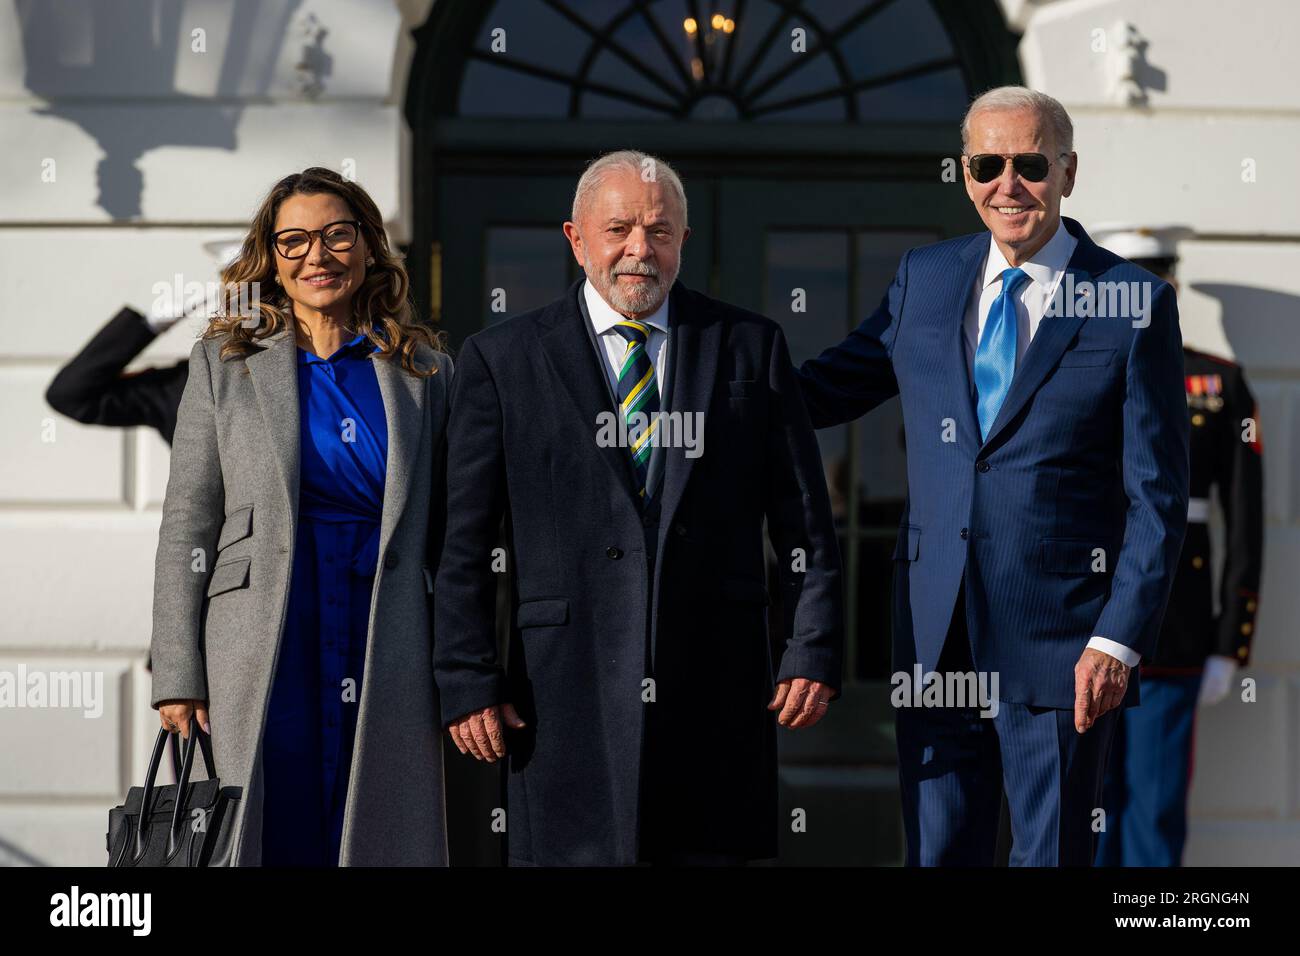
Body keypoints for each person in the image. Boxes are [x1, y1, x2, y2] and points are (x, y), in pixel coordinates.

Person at [794, 86, 1190, 866]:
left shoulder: (1133, 303)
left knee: (1049, 857)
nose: (1008, 185)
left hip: (1063, 646)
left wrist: (1117, 640)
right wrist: (703, 371)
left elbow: (1159, 496)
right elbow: (825, 389)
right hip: (936, 632)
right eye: (987, 164)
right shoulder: (926, 278)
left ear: (1069, 171)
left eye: (1031, 164)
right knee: (938, 853)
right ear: (964, 171)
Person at [434, 150, 843, 866]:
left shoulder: (750, 346)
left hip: (716, 688)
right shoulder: (502, 360)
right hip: (558, 692)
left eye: (658, 231)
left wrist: (809, 646)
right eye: (618, 228)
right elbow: (463, 540)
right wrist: (467, 677)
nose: (638, 250)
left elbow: (805, 521)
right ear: (575, 238)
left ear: (683, 241)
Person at [149, 167, 453, 866]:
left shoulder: (428, 372)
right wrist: (177, 672)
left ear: (369, 247)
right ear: (272, 260)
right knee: (268, 817)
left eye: (336, 235)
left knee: (370, 817)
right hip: (261, 632)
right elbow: (187, 524)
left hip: (386, 623)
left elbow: (451, 526)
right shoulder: (223, 365)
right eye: (294, 241)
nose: (317, 256)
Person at [1092, 225, 1264, 866]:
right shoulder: (1072, 367)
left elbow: (1243, 519)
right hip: (1081, 620)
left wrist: (1230, 641)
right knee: (1085, 810)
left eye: (1156, 282)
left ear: (1171, 286)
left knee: (1155, 811)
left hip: (1175, 624)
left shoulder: (1218, 382)